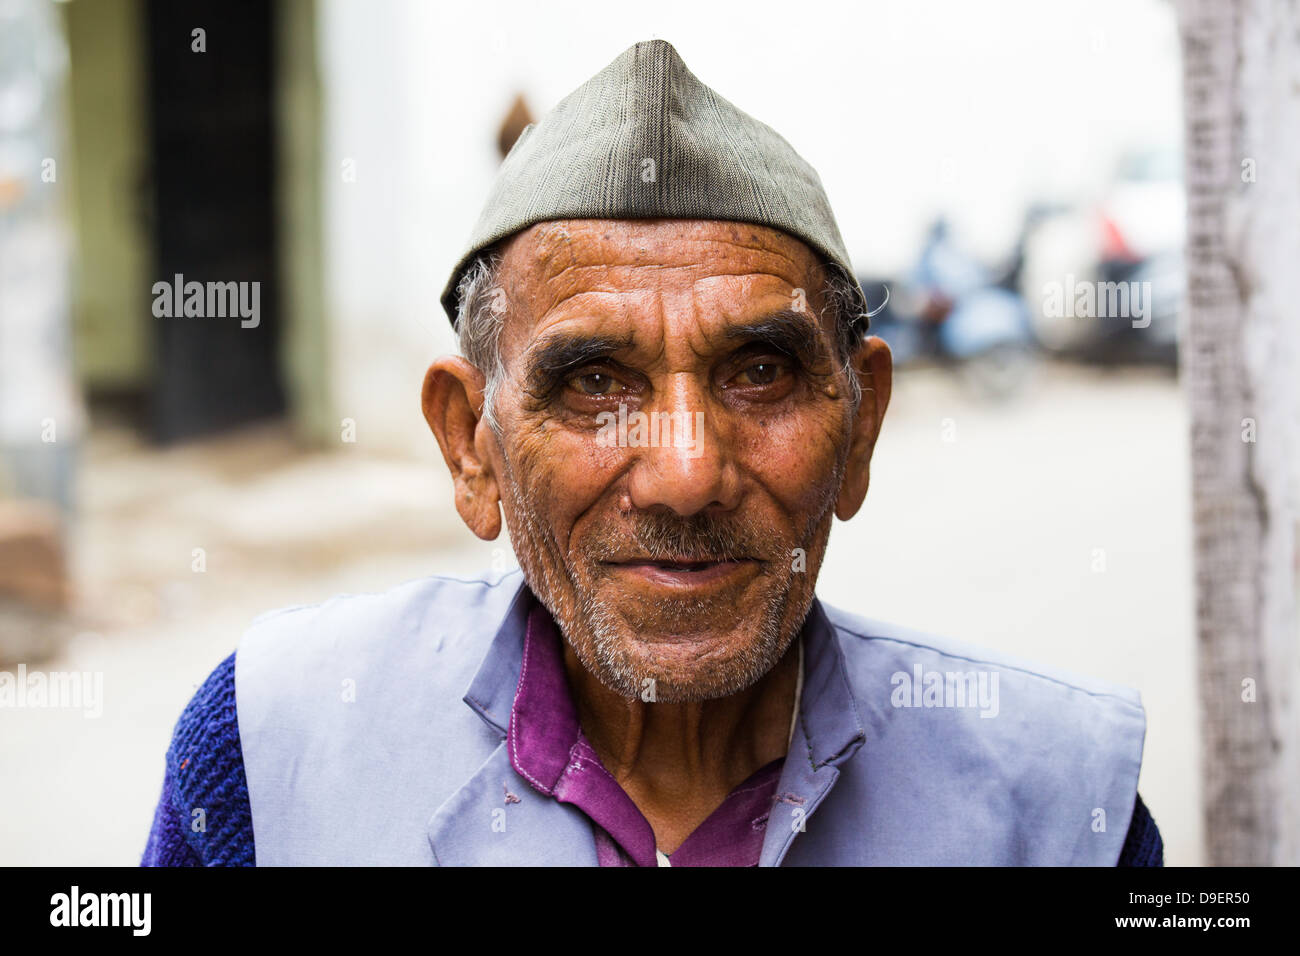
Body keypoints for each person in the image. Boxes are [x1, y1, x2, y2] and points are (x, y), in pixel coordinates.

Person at [142, 39, 1161, 867]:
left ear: (859, 425)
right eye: (594, 381)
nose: (684, 475)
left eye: (758, 371)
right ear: (472, 447)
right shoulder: (271, 745)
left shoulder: (1060, 803)